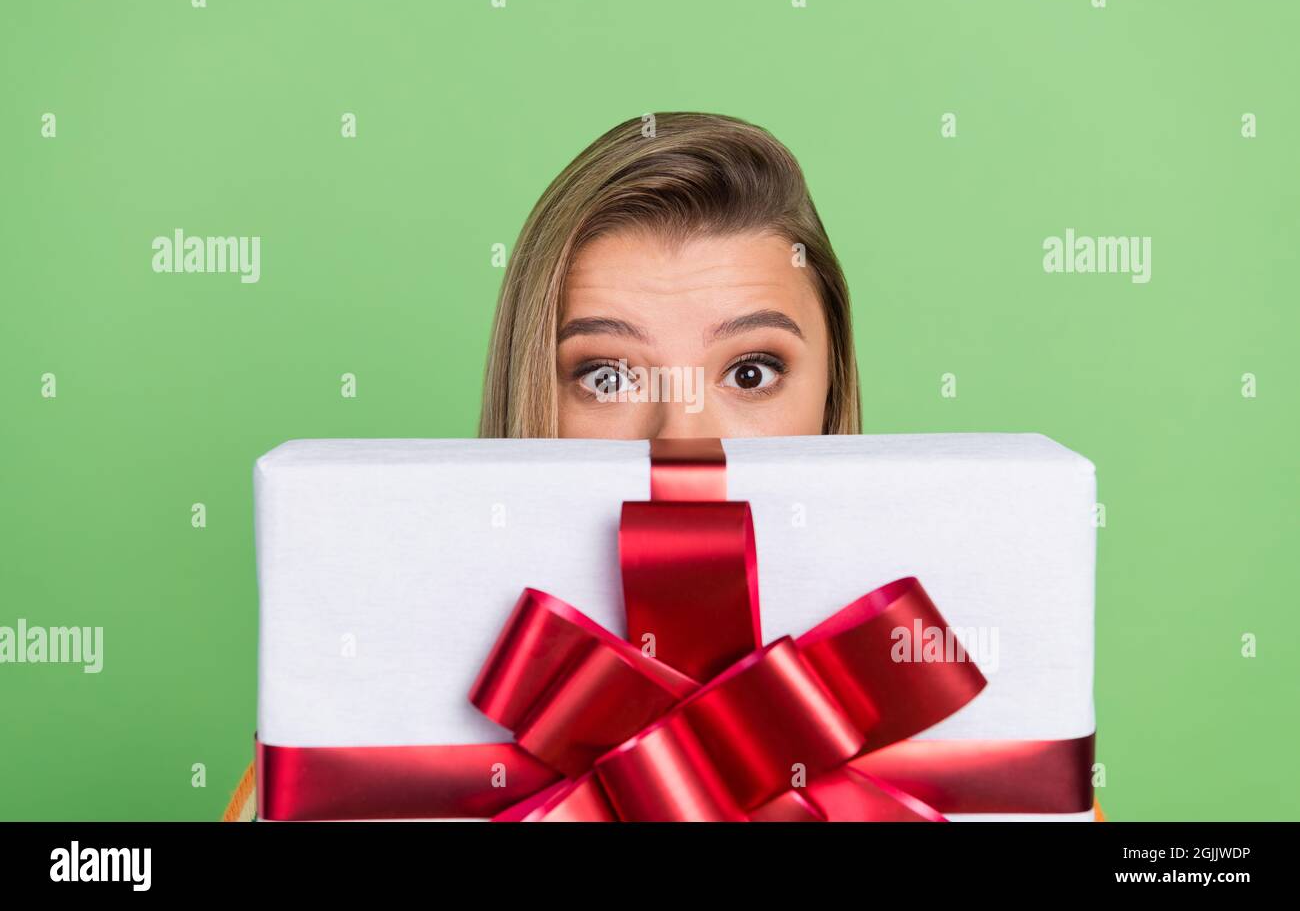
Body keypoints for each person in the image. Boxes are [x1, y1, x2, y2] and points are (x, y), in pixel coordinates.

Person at [224, 112, 1104, 821]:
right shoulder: (316, 756)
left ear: (833, 397)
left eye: (752, 373)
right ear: (530, 387)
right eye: (605, 375)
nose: (682, 435)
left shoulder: (1024, 753)